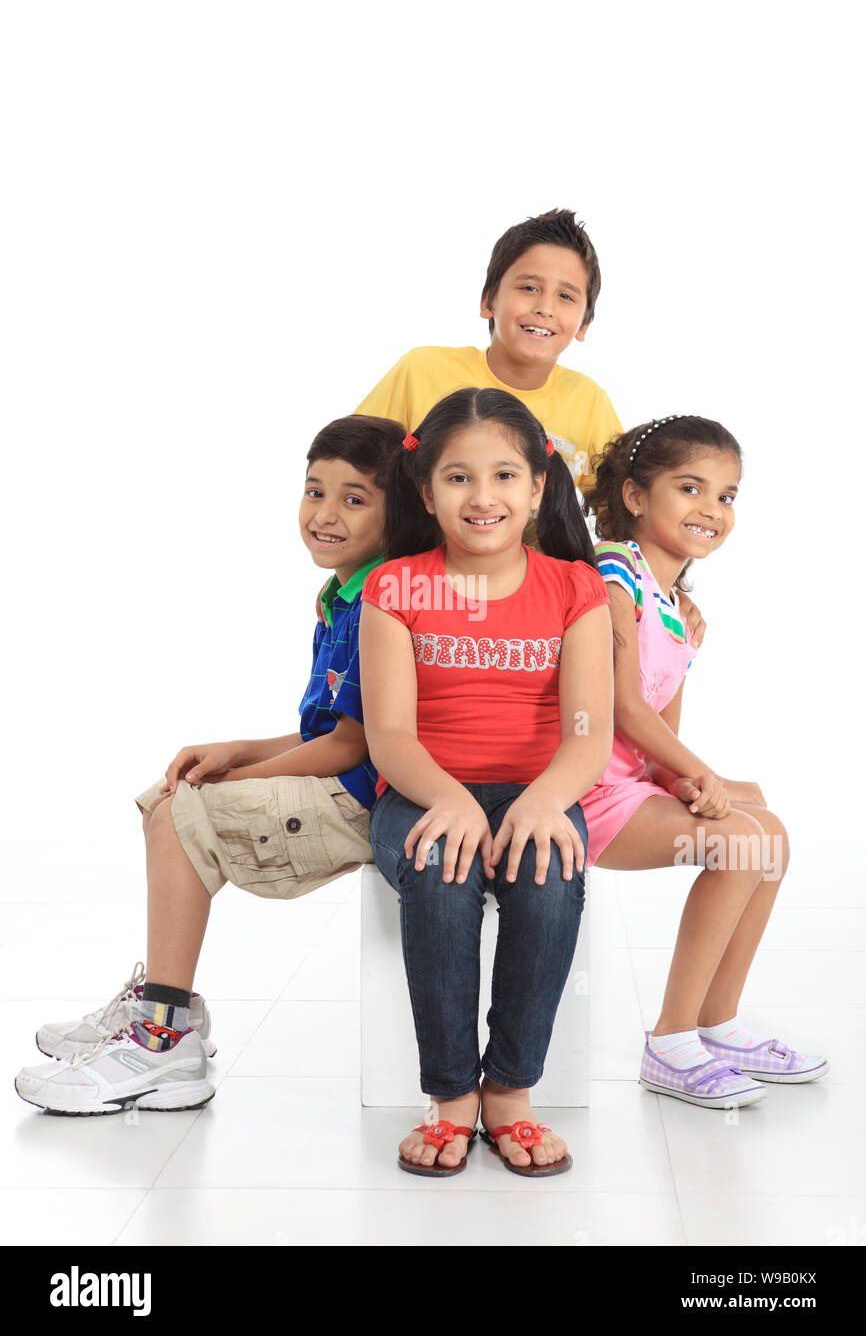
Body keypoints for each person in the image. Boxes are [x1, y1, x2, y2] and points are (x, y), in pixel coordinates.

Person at [15, 415, 403, 1115]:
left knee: (181, 809)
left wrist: (235, 779)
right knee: (162, 798)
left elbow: (353, 749)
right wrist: (238, 753)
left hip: (362, 805)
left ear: (396, 510)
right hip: (343, 783)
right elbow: (329, 729)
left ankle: (162, 1040)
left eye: (354, 498)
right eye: (315, 491)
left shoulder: (379, 598)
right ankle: (170, 1008)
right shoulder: (341, 594)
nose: (325, 514)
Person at [360, 387, 614, 1175]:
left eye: (505, 476)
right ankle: (448, 1099)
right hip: (426, 787)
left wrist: (544, 799)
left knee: (546, 876)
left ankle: (509, 1092)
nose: (483, 497)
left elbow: (588, 731)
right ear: (428, 492)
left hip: (542, 789)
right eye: (458, 478)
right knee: (442, 869)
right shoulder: (394, 588)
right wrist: (451, 799)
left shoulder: (576, 589)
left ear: (537, 488)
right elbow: (391, 735)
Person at [580, 415, 828, 1108]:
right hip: (584, 790)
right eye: (691, 488)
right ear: (634, 495)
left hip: (629, 783)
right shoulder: (612, 576)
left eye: (727, 495)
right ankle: (671, 1043)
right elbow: (623, 709)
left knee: (767, 835)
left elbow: (661, 733)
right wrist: (705, 781)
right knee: (743, 845)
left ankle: (717, 1024)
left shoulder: (678, 606)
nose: (711, 510)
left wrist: (696, 781)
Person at [353, 207, 707, 647]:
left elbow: (628, 515)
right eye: (528, 288)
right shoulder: (423, 370)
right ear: (489, 301)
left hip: (532, 614)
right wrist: (351, 576)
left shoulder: (588, 402)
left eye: (566, 296)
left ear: (585, 324)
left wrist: (666, 591)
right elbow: (353, 470)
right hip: (415, 599)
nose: (544, 307)